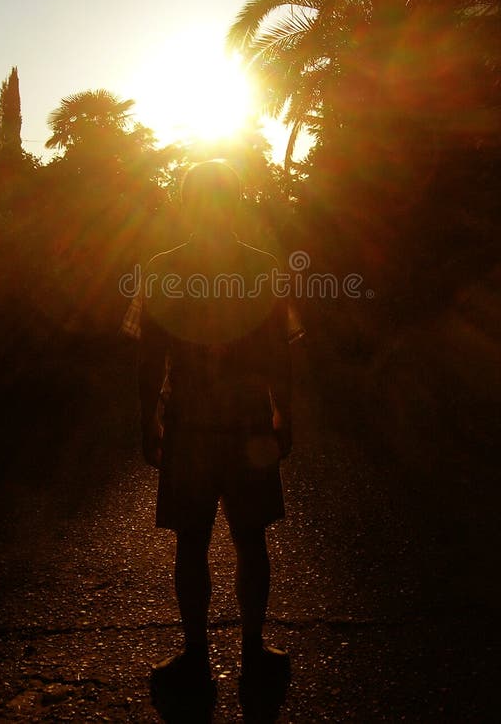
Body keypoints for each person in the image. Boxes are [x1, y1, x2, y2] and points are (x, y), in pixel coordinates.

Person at [120, 159, 302, 692]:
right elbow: (280, 357)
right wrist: (282, 415)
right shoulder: (264, 266)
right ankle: (253, 648)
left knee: (192, 542)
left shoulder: (159, 269)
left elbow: (149, 358)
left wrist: (147, 419)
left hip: (189, 428)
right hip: (246, 427)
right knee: (251, 539)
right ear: (237, 202)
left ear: (185, 204)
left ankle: (196, 652)